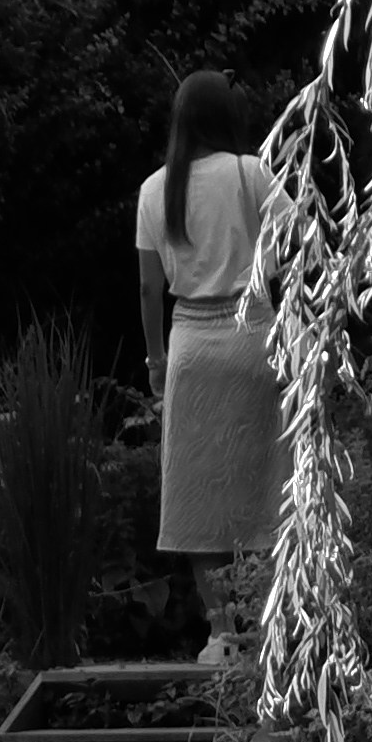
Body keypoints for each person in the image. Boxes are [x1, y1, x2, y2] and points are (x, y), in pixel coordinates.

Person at [135, 66, 282, 628]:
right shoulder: (252, 174)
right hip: (253, 339)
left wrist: (155, 360)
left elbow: (150, 287)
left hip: (192, 347)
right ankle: (272, 631)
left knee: (200, 494)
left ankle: (221, 634)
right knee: (265, 483)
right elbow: (298, 247)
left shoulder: (155, 189)